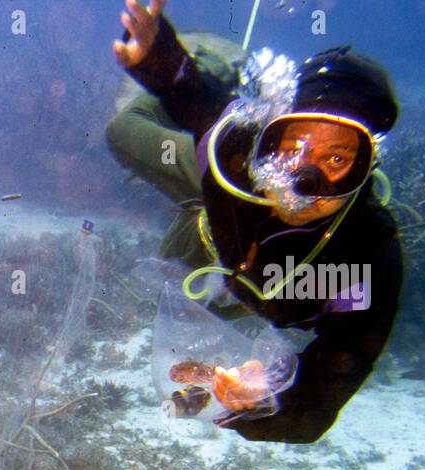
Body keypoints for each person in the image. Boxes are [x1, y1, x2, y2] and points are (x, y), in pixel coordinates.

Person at [108, 0, 403, 444]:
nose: (304, 180)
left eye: (337, 158)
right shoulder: (233, 149)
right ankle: (220, 61)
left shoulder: (368, 254)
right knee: (123, 129)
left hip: (237, 262)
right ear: (265, 140)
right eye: (292, 149)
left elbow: (322, 396)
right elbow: (196, 100)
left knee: (201, 282)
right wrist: (160, 58)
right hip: (231, 189)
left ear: (365, 165)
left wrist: (262, 401)